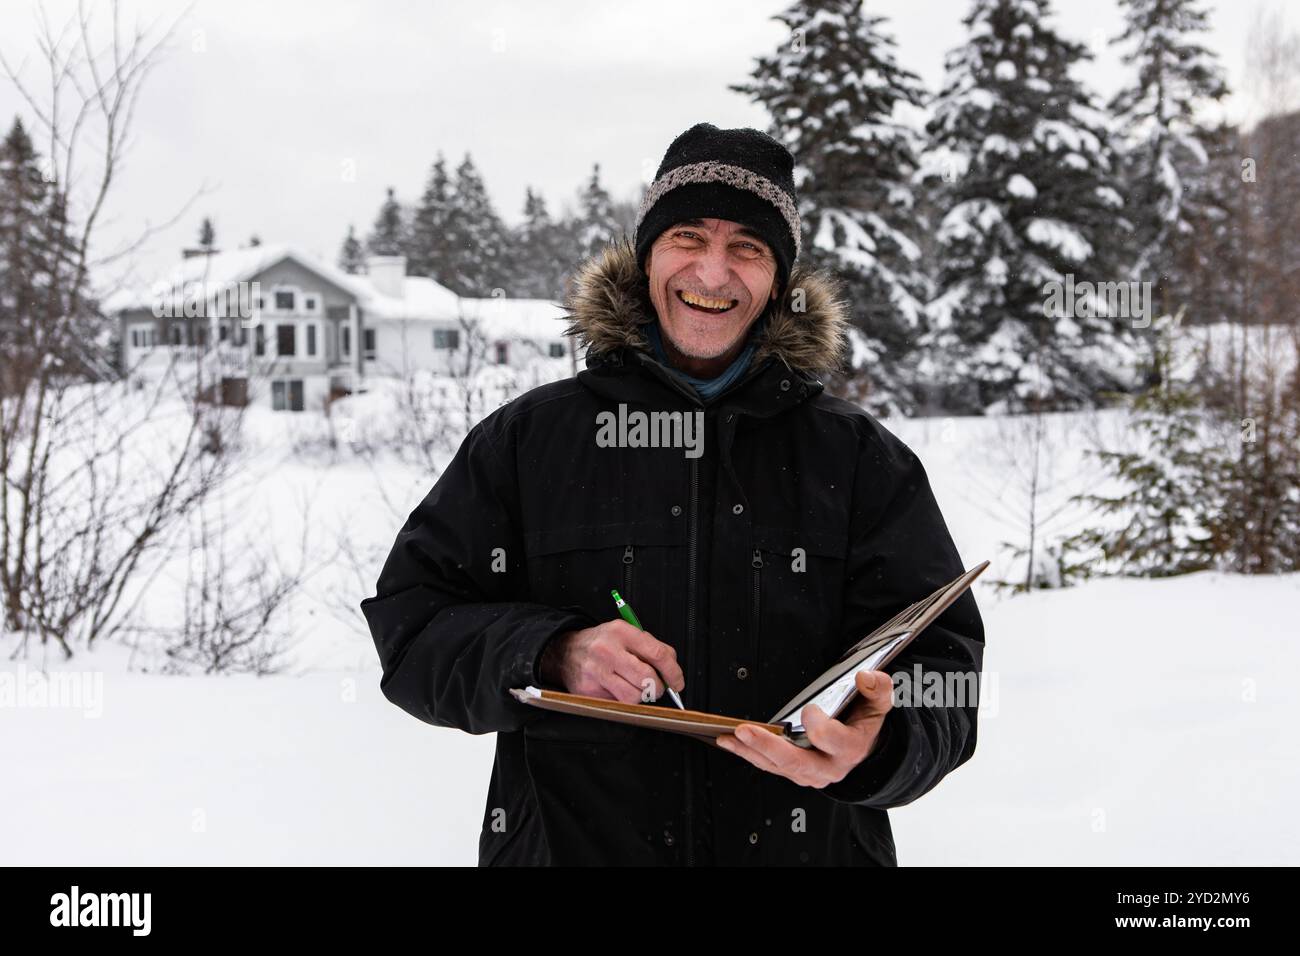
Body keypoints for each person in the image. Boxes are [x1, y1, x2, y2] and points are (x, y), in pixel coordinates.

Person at [361, 122, 985, 866]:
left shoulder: (859, 459)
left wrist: (879, 744)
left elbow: (947, 669)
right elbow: (412, 632)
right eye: (688, 236)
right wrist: (551, 651)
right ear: (646, 254)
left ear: (779, 282)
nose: (713, 275)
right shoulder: (529, 441)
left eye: (747, 248)